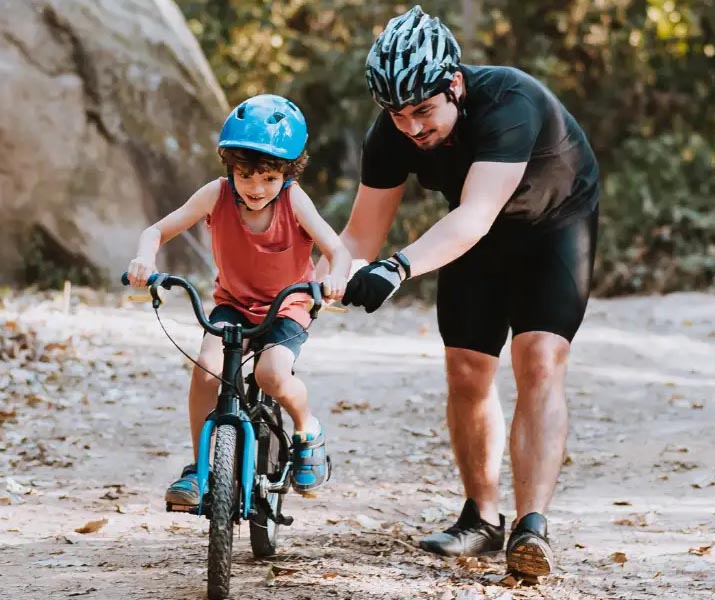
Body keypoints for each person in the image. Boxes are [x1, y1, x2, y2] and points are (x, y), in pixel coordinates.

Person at [334, 6, 600, 579]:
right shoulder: (393, 133)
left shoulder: (509, 102)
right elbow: (359, 234)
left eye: (424, 111)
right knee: (466, 369)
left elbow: (477, 215)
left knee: (539, 359)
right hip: (474, 232)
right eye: (397, 115)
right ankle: (481, 519)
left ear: (454, 84)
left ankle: (532, 526)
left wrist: (397, 268)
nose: (412, 128)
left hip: (554, 224)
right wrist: (317, 285)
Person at [126, 94, 352, 505]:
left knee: (272, 375)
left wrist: (335, 278)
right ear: (230, 167)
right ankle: (199, 468)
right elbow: (155, 231)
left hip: (288, 304)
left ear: (288, 171)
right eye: (245, 175)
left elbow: (338, 251)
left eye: (269, 177)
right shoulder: (216, 194)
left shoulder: (293, 200)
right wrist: (144, 259)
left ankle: (307, 428)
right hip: (233, 303)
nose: (256, 188)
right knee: (206, 372)